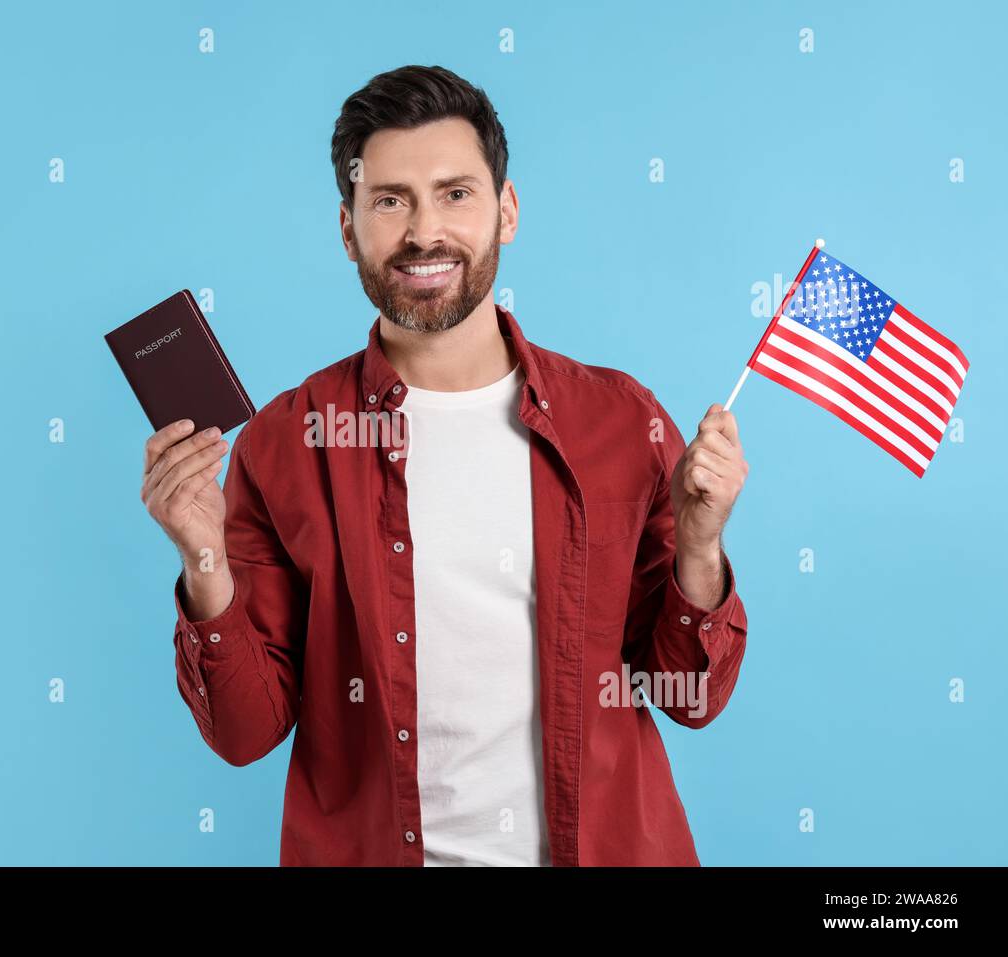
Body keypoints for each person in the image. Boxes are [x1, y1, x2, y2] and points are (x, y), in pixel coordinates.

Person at [141, 64, 750, 866]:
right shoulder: (289, 441)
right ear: (348, 227)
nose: (424, 232)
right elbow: (245, 732)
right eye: (390, 200)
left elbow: (694, 697)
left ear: (507, 211)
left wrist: (700, 549)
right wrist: (202, 556)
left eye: (456, 193)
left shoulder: (619, 418)